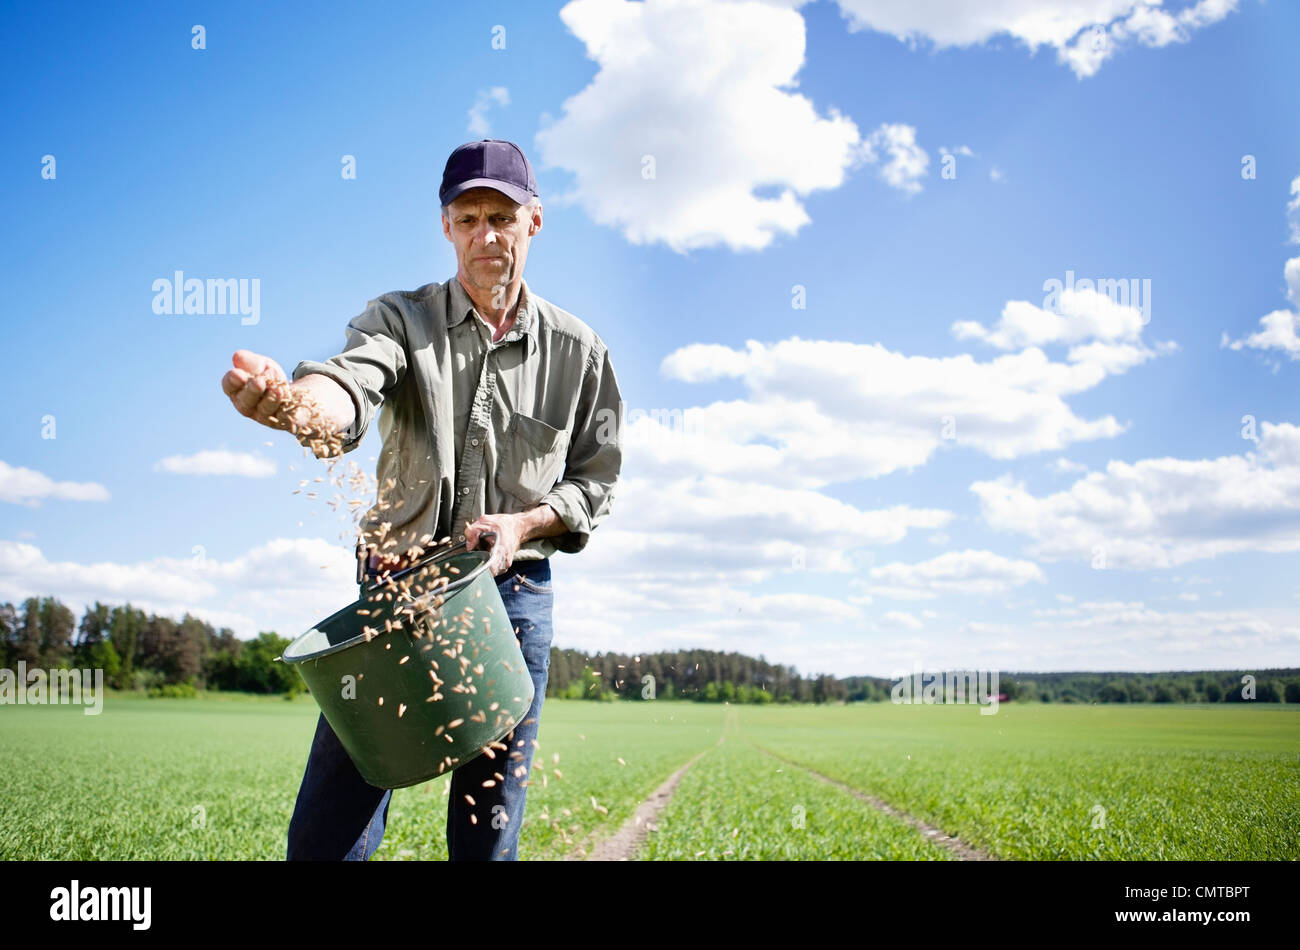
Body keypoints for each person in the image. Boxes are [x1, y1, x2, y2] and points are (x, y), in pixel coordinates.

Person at [219, 138, 624, 860]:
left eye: (501, 216)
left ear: (536, 220)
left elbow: (596, 478)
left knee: (491, 810)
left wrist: (525, 522)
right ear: (445, 227)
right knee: (334, 812)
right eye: (467, 218)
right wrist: (296, 405)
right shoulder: (400, 319)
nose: (485, 235)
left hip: (511, 596)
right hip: (396, 589)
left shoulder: (579, 351)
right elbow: (347, 385)